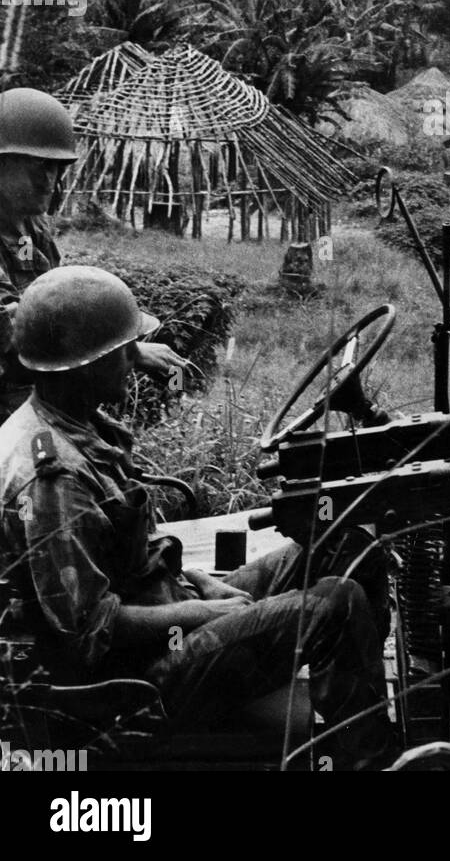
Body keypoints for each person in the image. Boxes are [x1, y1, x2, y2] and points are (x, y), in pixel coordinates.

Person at [0, 266, 393, 770]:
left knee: (347, 545)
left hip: (164, 616)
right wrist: (198, 616)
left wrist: (200, 584)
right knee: (334, 604)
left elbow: (126, 557)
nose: (134, 359)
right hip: (131, 690)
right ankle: (371, 761)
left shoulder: (76, 423)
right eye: (125, 350)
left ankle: (353, 707)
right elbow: (87, 636)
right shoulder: (54, 477)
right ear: (85, 366)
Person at [0, 88, 184, 420]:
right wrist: (128, 351)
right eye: (37, 166)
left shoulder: (33, 227)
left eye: (55, 167)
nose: (49, 180)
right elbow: (15, 332)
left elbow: (52, 302)